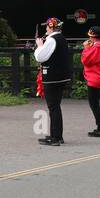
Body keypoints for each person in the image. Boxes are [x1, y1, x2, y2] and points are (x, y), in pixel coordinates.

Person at [34, 16, 70, 145]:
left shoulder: (51, 40)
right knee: (55, 107)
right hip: (61, 77)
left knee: (53, 107)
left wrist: (39, 46)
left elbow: (40, 57)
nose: (45, 28)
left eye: (47, 26)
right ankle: (56, 135)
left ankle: (56, 137)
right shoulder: (61, 38)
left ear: (51, 26)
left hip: (53, 77)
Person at [81, 25, 100, 137]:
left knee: (94, 104)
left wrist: (86, 48)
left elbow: (86, 60)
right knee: (96, 103)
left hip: (95, 78)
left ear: (93, 37)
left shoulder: (96, 48)